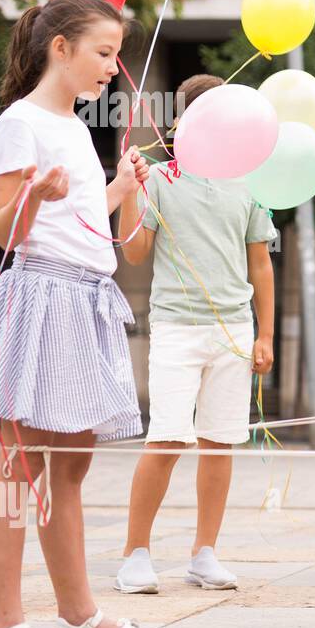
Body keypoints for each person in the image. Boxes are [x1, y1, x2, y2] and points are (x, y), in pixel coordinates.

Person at [0, 0, 161, 628]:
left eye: (117, 54)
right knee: (20, 464)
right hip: (39, 295)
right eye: (103, 52)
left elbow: (81, 221)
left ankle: (77, 615)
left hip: (85, 297)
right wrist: (33, 197)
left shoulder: (74, 125)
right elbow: (8, 230)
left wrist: (118, 190)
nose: (112, 67)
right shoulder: (19, 122)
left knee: (71, 464)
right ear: (59, 48)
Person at [114, 74, 277, 594]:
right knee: (165, 438)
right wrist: (131, 192)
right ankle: (134, 554)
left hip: (233, 327)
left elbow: (261, 264)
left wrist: (264, 335)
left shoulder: (250, 182)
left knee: (220, 444)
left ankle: (204, 553)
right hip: (176, 325)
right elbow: (134, 253)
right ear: (182, 120)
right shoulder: (159, 178)